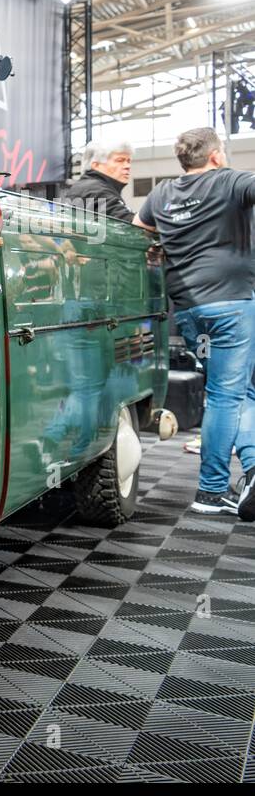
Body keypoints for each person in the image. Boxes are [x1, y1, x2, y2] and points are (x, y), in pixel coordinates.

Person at [135, 127, 255, 517]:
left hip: (189, 315)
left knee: (233, 391)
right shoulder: (231, 181)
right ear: (216, 155)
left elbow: (140, 235)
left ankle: (252, 470)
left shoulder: (161, 195)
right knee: (226, 395)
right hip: (231, 310)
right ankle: (211, 490)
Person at [63, 140, 135, 223]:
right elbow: (128, 224)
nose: (127, 166)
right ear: (96, 165)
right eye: (120, 160)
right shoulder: (95, 190)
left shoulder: (87, 186)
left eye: (128, 161)